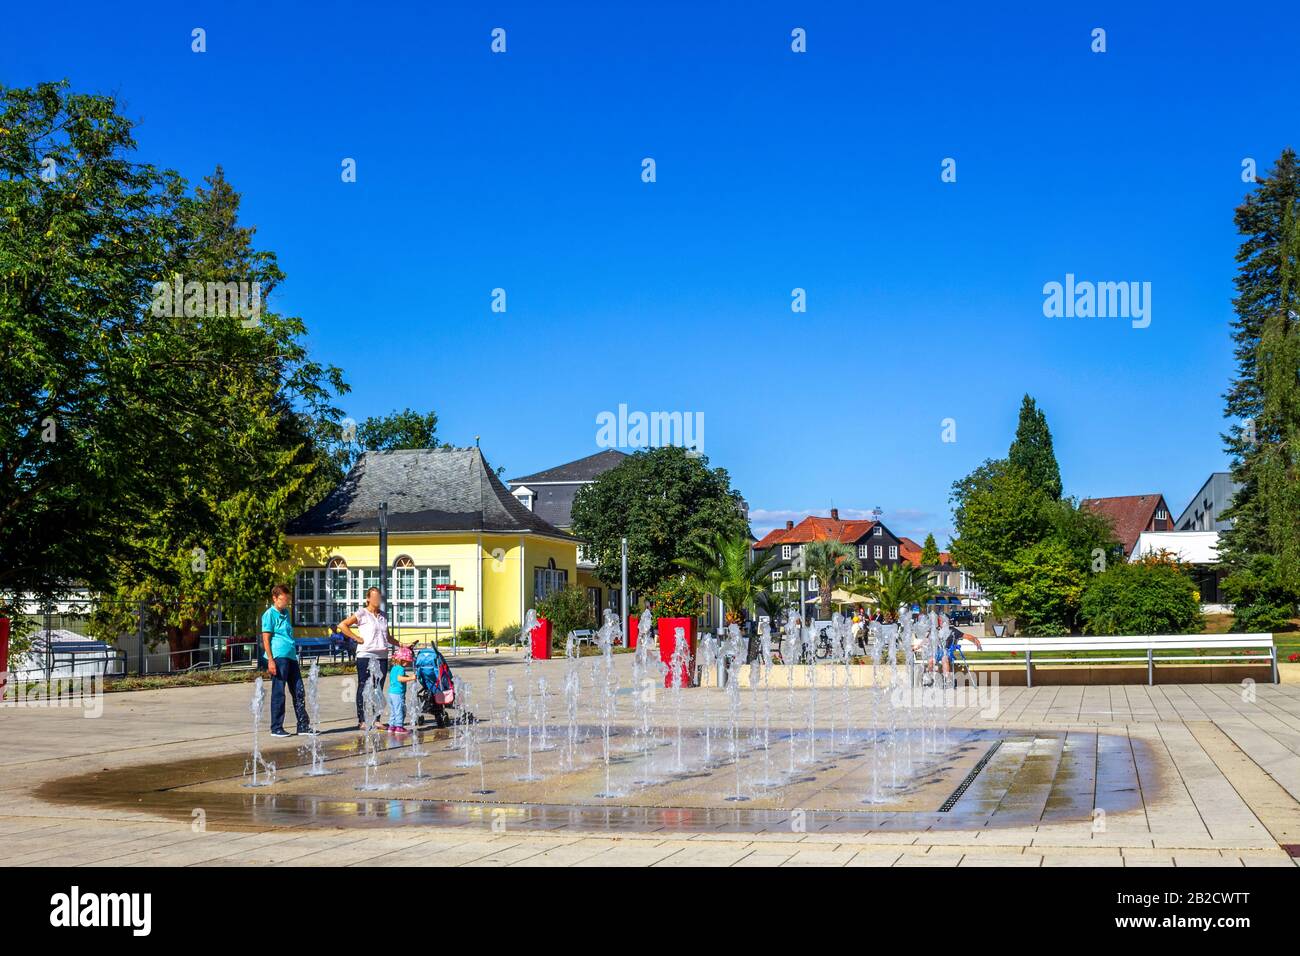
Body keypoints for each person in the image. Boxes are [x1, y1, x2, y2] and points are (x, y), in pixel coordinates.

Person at [337, 586, 397, 730]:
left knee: (378, 688)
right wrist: (356, 637)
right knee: (363, 686)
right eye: (374, 597)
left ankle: (377, 719)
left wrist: (401, 644)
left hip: (382, 655)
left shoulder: (383, 615)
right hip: (365, 654)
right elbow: (342, 625)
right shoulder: (362, 613)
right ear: (368, 599)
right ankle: (362, 720)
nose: (377, 600)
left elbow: (387, 637)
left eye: (379, 597)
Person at [261, 584, 310, 737]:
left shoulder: (286, 612)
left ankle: (303, 725)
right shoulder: (269, 614)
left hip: (290, 656)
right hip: (278, 657)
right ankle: (276, 728)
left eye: (288, 599)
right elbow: (266, 639)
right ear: (274, 598)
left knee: (299, 690)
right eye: (284, 599)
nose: (287, 602)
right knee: (279, 692)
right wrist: (270, 660)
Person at [387, 645, 416, 735]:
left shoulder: (394, 668)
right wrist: (411, 678)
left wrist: (406, 677)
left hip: (391, 693)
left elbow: (396, 678)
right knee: (400, 710)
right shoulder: (401, 669)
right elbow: (400, 679)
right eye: (407, 661)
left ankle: (392, 726)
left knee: (393, 710)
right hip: (398, 694)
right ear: (402, 660)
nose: (408, 663)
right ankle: (399, 727)